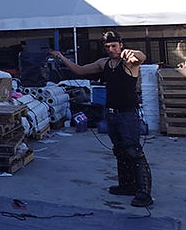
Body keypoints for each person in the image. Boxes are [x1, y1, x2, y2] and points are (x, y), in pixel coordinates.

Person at [51, 30, 153, 208]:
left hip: (128, 113)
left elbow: (141, 58)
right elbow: (80, 70)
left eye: (114, 46)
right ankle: (126, 185)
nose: (111, 49)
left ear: (121, 45)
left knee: (133, 151)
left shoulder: (128, 62)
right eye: (108, 46)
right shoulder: (103, 63)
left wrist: (133, 52)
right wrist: (61, 57)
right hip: (112, 113)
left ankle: (144, 193)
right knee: (119, 150)